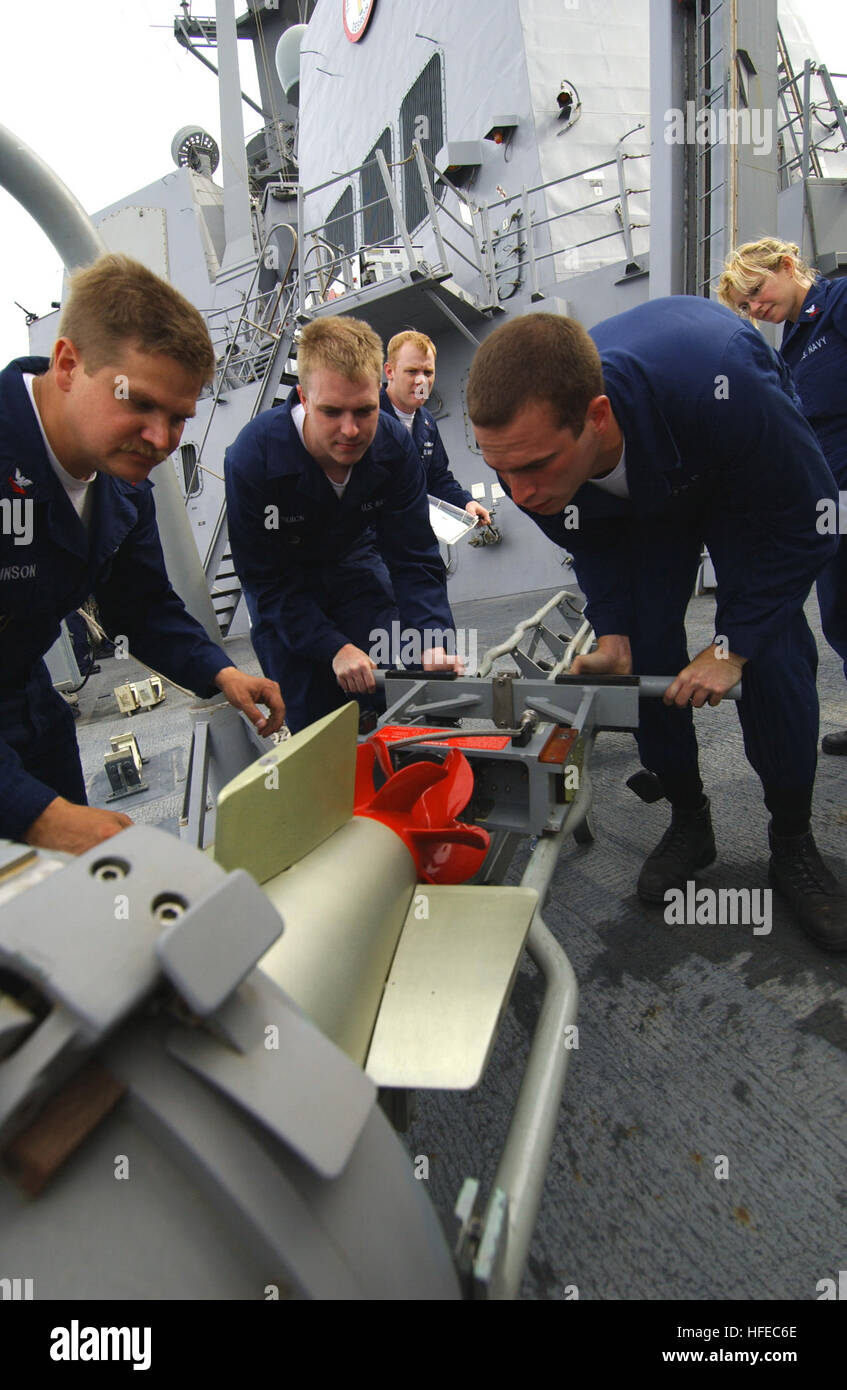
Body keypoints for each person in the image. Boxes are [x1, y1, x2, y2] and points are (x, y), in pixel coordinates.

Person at [466, 304, 846, 951]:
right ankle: (688, 817)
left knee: (772, 650)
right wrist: (611, 630)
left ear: (596, 418)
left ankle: (791, 837)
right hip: (638, 497)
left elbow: (809, 520)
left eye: (531, 467)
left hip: (731, 469)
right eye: (500, 469)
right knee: (637, 657)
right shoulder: (532, 464)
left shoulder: (728, 385)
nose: (519, 493)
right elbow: (592, 544)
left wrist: (732, 648)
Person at [0, 254, 285, 855]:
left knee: (59, 908)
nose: (161, 440)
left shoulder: (122, 480)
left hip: (30, 714)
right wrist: (35, 815)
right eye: (140, 404)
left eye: (179, 417)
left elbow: (144, 605)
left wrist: (221, 671)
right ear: (69, 364)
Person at [225, 316, 458, 734]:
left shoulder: (392, 445)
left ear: (378, 395)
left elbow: (413, 556)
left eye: (364, 411)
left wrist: (433, 639)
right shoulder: (253, 458)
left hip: (355, 573)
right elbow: (266, 582)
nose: (350, 431)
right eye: (331, 412)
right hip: (287, 596)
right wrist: (333, 647)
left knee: (407, 689)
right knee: (320, 729)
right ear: (303, 398)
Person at [718, 238, 847, 755]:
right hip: (828, 500)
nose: (755, 309)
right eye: (746, 307)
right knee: (839, 610)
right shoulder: (788, 344)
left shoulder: (838, 305)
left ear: (788, 266)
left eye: (756, 291)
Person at [381, 330, 491, 525]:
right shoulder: (366, 417)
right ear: (390, 371)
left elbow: (437, 478)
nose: (421, 381)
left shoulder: (427, 423)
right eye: (412, 371)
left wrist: (466, 502)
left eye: (428, 372)